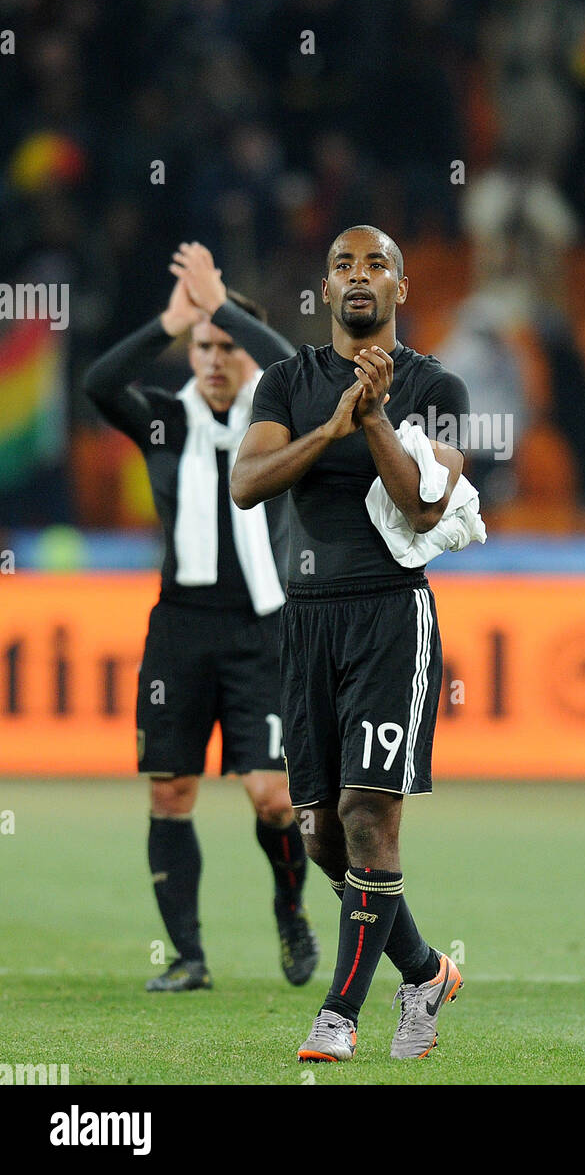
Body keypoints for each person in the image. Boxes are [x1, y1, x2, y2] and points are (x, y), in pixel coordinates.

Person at [231, 224, 468, 1061]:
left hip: (389, 615)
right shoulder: (286, 382)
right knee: (321, 834)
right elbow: (246, 483)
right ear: (325, 289)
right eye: (343, 265)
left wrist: (372, 422)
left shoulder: (436, 386)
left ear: (401, 287)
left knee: (368, 814)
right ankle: (425, 972)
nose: (358, 275)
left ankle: (338, 1014)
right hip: (305, 618)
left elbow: (424, 508)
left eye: (376, 264)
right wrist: (329, 428)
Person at [84, 242, 318, 993]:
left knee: (273, 796)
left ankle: (290, 912)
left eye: (227, 346)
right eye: (203, 347)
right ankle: (188, 957)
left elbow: (295, 365)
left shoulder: (276, 423)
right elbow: (98, 382)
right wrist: (170, 320)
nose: (215, 359)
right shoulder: (163, 420)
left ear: (246, 353)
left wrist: (219, 306)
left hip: (264, 630)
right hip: (180, 630)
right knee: (170, 792)